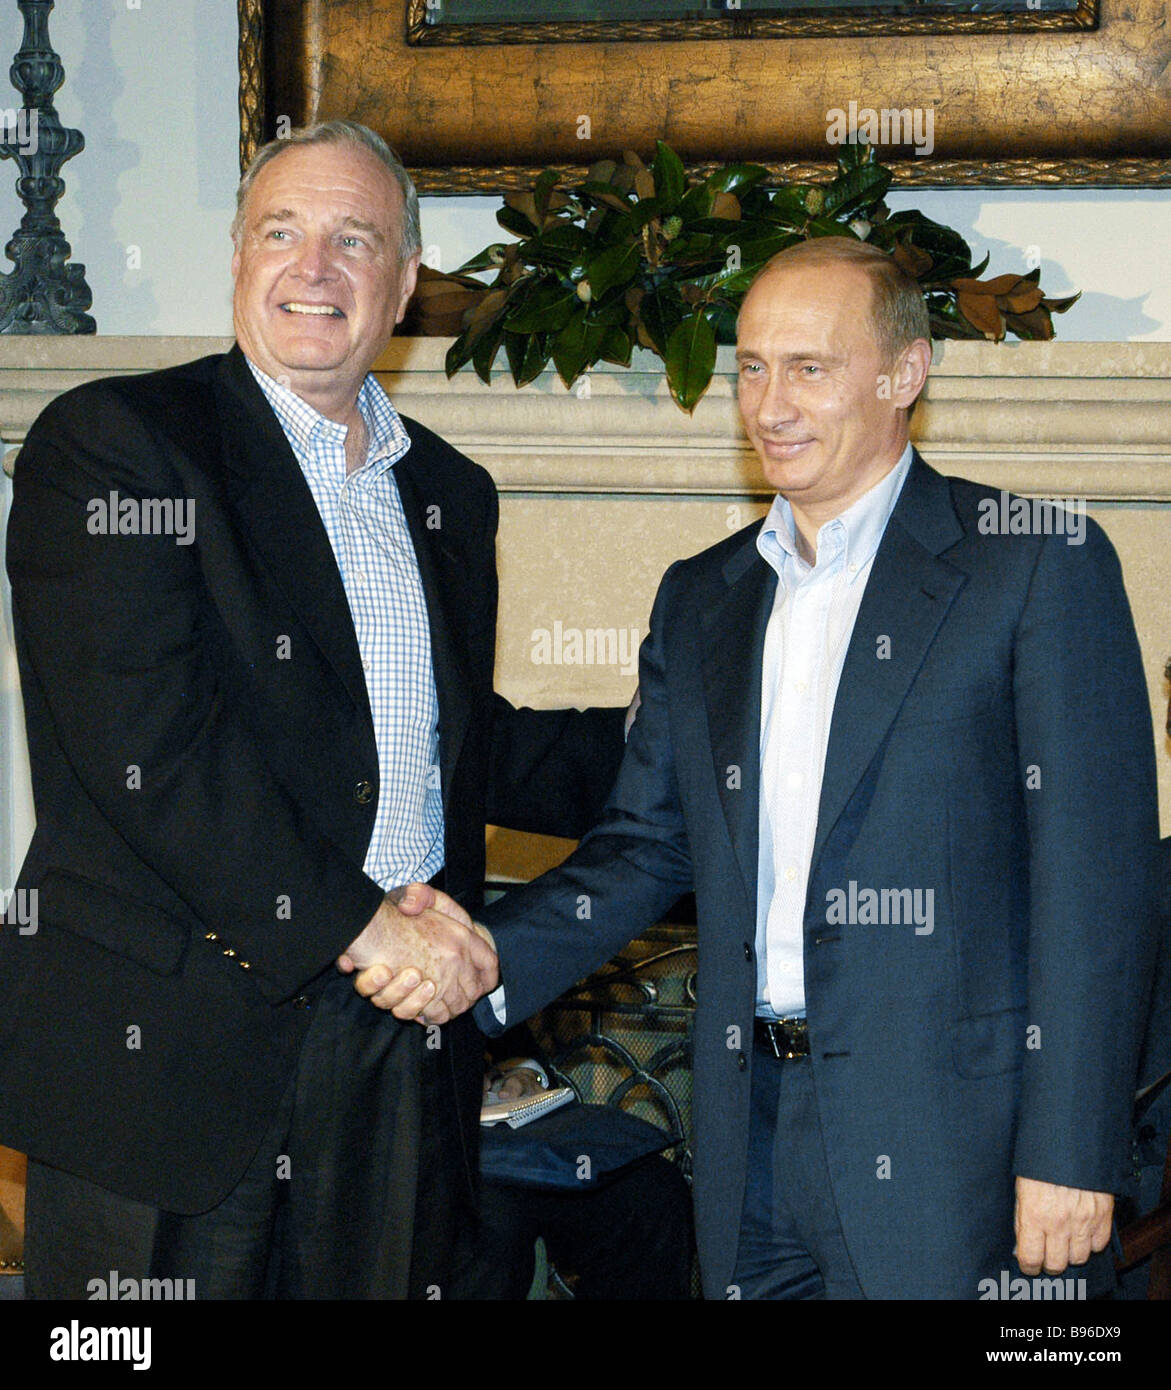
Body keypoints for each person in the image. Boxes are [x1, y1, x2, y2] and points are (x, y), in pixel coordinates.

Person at [382, 237, 1162, 1299]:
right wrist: (478, 965)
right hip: (748, 1146)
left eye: (809, 367)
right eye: (750, 366)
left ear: (903, 375)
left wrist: (1069, 1153)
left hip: (960, 1152)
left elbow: (1097, 891)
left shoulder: (1031, 565)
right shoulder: (703, 596)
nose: (770, 402)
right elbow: (645, 846)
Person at [0, 120, 623, 1299]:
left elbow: (440, 743)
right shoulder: (116, 447)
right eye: (282, 233)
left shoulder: (446, 490)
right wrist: (366, 925)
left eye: (357, 239)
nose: (316, 267)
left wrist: (682, 741)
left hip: (391, 1057)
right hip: (168, 1056)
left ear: (403, 286)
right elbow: (153, 751)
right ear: (237, 258)